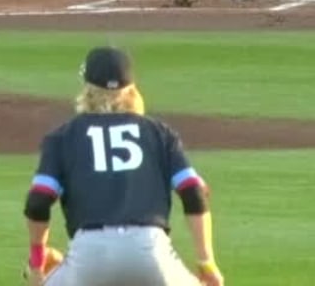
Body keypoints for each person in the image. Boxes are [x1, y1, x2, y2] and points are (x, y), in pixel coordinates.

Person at [21, 46, 223, 286]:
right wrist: (206, 263)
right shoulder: (159, 133)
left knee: (44, 273)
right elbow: (193, 193)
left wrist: (36, 263)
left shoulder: (62, 137)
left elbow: (38, 202)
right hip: (150, 251)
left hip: (89, 255)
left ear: (87, 88)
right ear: (132, 88)